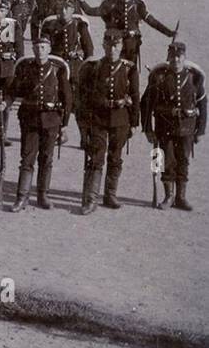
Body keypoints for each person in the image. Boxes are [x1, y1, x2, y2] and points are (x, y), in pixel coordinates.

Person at [8, 36, 72, 211]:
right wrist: (4, 103)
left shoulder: (58, 71)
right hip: (30, 119)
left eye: (43, 47)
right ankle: (22, 197)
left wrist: (64, 124)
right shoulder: (26, 69)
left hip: (51, 120)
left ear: (49, 49)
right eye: (37, 47)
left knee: (46, 158)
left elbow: (67, 99)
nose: (40, 50)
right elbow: (13, 90)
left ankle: (43, 195)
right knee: (27, 158)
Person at [77, 30, 138, 214]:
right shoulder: (93, 67)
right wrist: (84, 123)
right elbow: (84, 96)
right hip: (98, 119)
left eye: (116, 46)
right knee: (96, 157)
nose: (112, 49)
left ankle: (110, 194)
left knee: (115, 157)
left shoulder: (129, 68)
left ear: (121, 47)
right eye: (109, 45)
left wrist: (134, 122)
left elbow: (135, 95)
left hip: (120, 120)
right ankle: (91, 198)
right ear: (103, 45)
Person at [141, 41, 206, 211]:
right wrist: (147, 128)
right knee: (167, 161)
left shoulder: (194, 78)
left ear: (184, 58)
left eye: (179, 56)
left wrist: (200, 130)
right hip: (165, 128)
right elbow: (146, 104)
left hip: (186, 128)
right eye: (172, 57)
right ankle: (168, 196)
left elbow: (203, 104)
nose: (175, 60)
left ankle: (181, 197)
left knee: (183, 161)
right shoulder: (159, 78)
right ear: (168, 58)